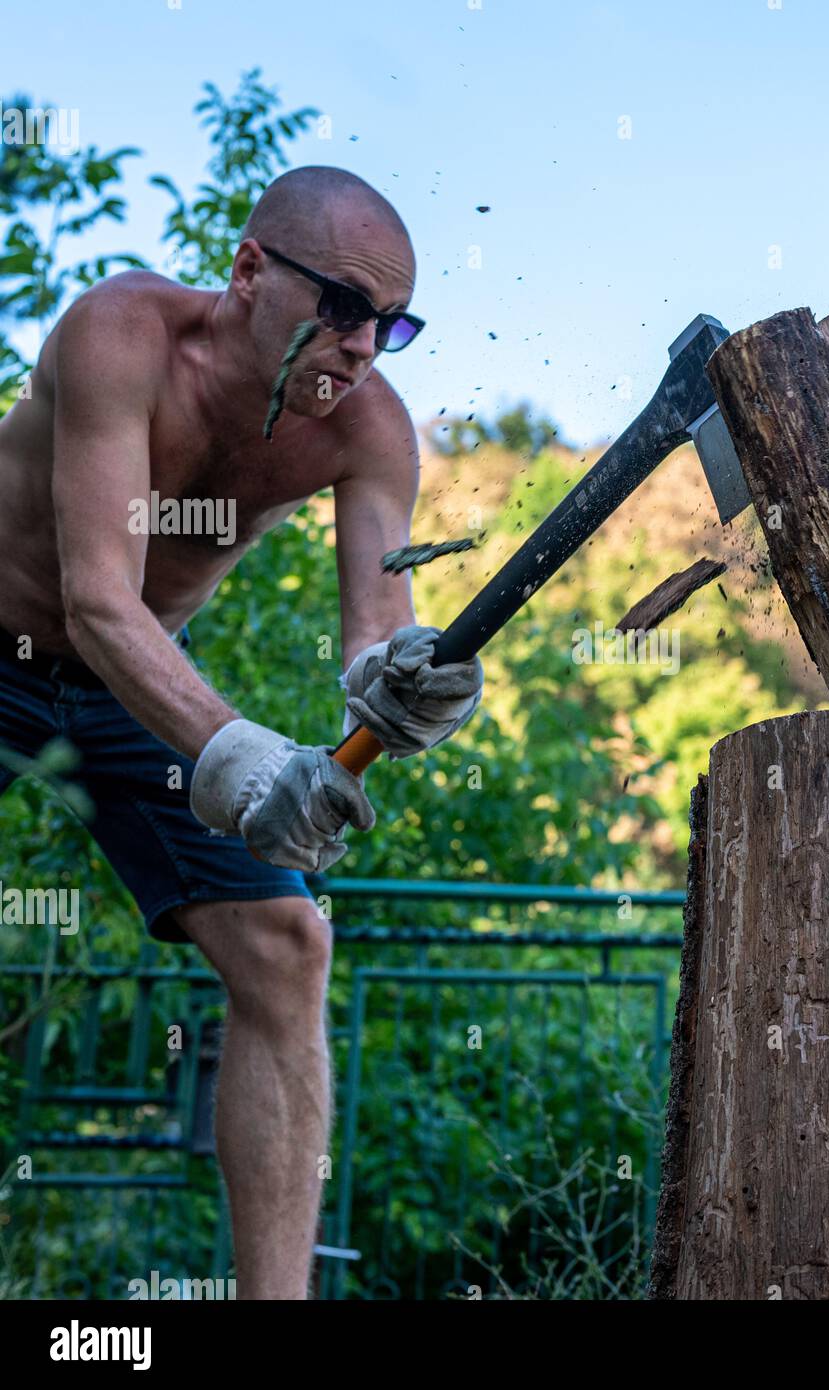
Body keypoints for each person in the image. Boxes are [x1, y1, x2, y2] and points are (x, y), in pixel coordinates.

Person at [0, 165, 484, 1298]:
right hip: (36, 631)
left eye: (392, 325)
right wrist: (242, 753)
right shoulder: (119, 333)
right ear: (251, 270)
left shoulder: (368, 430)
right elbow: (95, 597)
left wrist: (409, 688)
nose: (364, 346)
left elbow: (376, 637)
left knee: (287, 945)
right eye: (346, 307)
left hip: (129, 685)